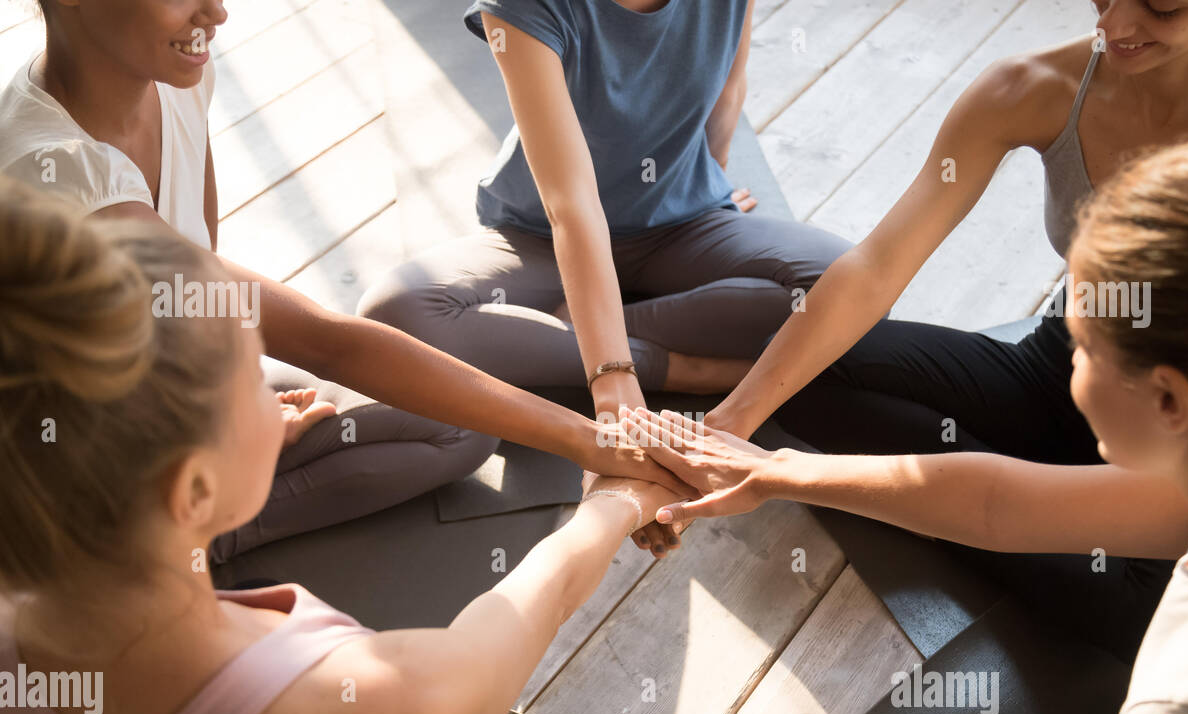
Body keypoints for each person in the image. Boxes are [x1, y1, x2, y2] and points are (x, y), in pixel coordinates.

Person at [0, 179, 867, 714]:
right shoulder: (367, 707)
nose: (279, 402)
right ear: (192, 492)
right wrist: (621, 497)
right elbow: (539, 595)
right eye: (250, 387)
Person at [631, 133, 1188, 714]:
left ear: (1169, 397)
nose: (1065, 359)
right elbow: (997, 506)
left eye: (1079, 347)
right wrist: (778, 472)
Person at [698, 0, 1188, 659]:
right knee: (805, 377)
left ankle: (1036, 496)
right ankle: (1038, 490)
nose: (1116, 25)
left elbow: (995, 507)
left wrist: (787, 475)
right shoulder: (1032, 87)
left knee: (1124, 610)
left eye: (1161, 7)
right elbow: (875, 266)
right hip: (1078, 361)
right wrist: (734, 419)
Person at [0, 0, 690, 565]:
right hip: (69, 463)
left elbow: (200, 289)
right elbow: (328, 343)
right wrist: (588, 439)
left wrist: (234, 411)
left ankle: (207, 536)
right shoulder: (54, 175)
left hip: (161, 397)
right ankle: (145, 548)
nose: (217, 13)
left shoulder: (178, 74)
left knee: (461, 431)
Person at [357, 0, 855, 559]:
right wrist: (614, 382)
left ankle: (565, 326)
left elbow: (727, 93)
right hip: (542, 234)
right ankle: (685, 368)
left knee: (845, 285)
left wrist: (707, 184)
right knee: (395, 313)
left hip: (682, 225)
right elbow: (571, 204)